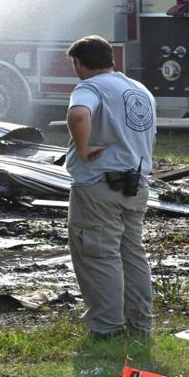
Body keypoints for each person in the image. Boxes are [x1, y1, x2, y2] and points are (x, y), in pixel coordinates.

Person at [64, 35, 157, 340]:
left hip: (98, 187)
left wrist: (83, 148)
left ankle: (107, 329)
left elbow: (79, 114)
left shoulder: (89, 88)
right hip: (136, 185)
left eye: (74, 64)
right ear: (111, 59)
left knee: (98, 255)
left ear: (79, 63)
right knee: (132, 254)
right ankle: (140, 325)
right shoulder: (139, 90)